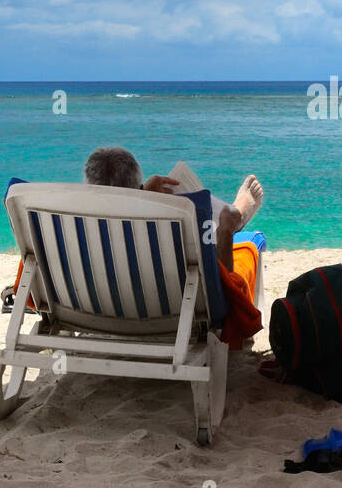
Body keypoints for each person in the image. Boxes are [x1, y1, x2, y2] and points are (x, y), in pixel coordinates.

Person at [83, 146, 264, 347]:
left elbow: (113, 198)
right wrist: (224, 235)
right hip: (178, 310)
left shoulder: (71, 226)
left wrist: (145, 194)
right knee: (222, 235)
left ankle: (234, 217)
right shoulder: (158, 232)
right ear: (137, 181)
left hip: (97, 308)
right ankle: (233, 221)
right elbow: (225, 289)